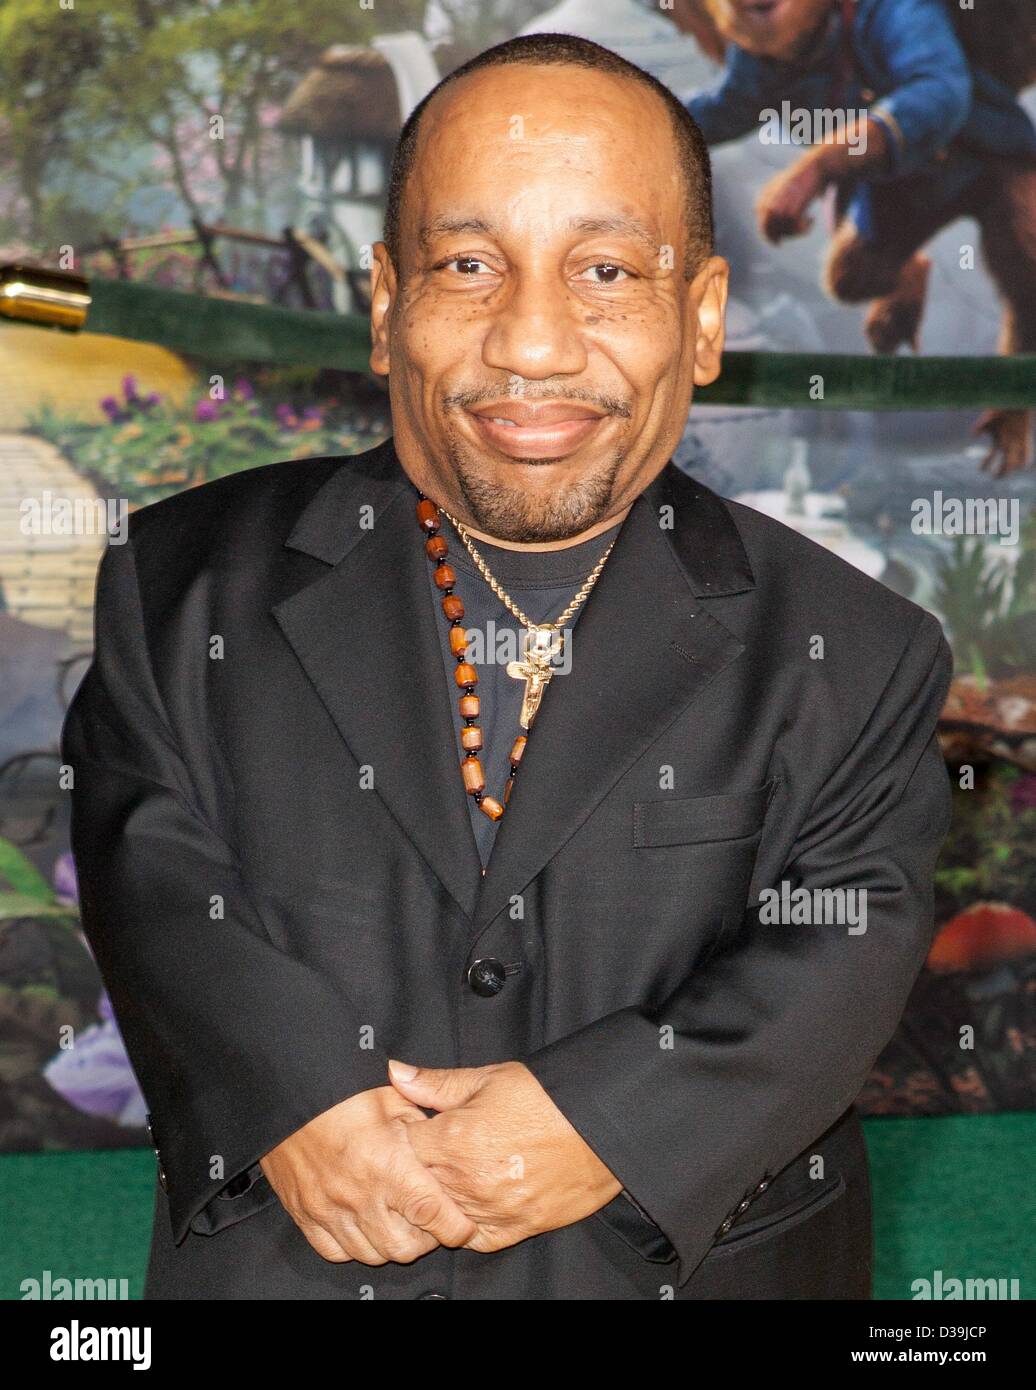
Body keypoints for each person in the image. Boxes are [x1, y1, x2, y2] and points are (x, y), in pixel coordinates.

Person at [63, 32, 953, 1300]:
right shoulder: (179, 584)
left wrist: (610, 1120)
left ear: (699, 320)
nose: (532, 344)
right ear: (384, 309)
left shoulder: (857, 650)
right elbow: (150, 870)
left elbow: (843, 938)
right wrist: (296, 1097)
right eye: (469, 265)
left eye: (604, 269)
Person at [666, 0, 1036, 475]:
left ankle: (1015, 400)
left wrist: (818, 170)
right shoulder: (762, 49)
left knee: (1027, 260)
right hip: (897, 180)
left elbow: (939, 94)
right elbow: (727, 108)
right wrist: (642, 122)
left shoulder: (895, 12)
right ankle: (908, 271)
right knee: (850, 278)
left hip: (988, 156)